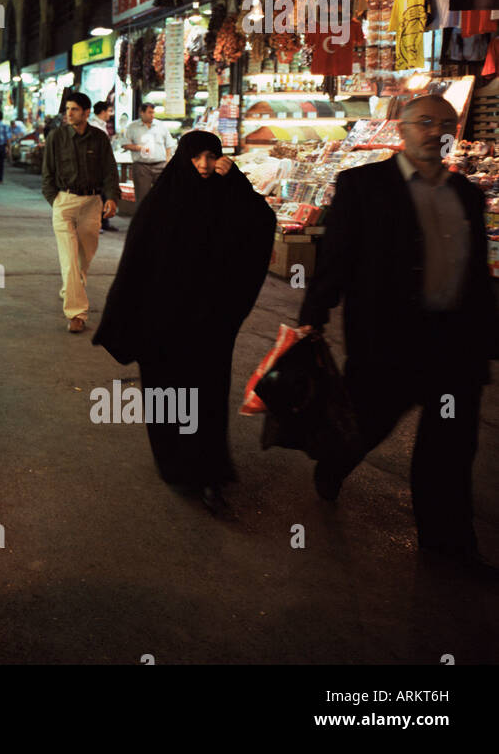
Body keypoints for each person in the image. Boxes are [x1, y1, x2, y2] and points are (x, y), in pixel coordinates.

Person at [297, 94, 498, 572]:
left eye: (445, 124)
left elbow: (474, 274)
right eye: (424, 122)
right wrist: (315, 312)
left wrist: (488, 335)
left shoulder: (467, 194)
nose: (435, 132)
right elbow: (337, 257)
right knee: (368, 422)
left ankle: (449, 544)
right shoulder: (363, 185)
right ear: (402, 128)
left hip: (456, 344)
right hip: (387, 339)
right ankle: (335, 464)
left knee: (450, 447)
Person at [93, 132, 276, 514]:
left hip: (209, 324)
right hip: (162, 323)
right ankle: (174, 464)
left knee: (206, 399)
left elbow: (262, 222)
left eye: (212, 157)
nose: (205, 165)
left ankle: (208, 475)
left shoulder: (227, 197)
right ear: (183, 158)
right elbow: (134, 267)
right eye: (197, 157)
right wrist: (124, 317)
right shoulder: (160, 205)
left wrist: (238, 179)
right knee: (167, 396)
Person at [41, 92, 120, 333]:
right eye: (67, 109)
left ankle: (70, 287)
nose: (69, 113)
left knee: (85, 256)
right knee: (69, 259)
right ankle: (77, 314)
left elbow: (109, 170)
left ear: (86, 113)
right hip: (64, 202)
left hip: (92, 203)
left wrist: (112, 198)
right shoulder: (56, 137)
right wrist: (56, 201)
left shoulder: (99, 138)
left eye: (74, 109)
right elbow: (47, 174)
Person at [122, 103, 178, 202]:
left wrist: (167, 161)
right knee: (143, 198)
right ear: (141, 113)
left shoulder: (160, 125)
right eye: (149, 112)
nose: (152, 115)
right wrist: (139, 147)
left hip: (160, 165)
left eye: (153, 112)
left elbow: (169, 144)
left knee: (164, 195)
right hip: (141, 167)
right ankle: (143, 217)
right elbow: (125, 144)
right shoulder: (132, 127)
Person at [91, 101, 118, 231]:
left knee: (104, 193)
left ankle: (104, 221)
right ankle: (98, 223)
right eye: (109, 111)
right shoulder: (93, 125)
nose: (110, 114)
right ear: (102, 112)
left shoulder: (102, 125)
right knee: (98, 194)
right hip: (96, 165)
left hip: (103, 164)